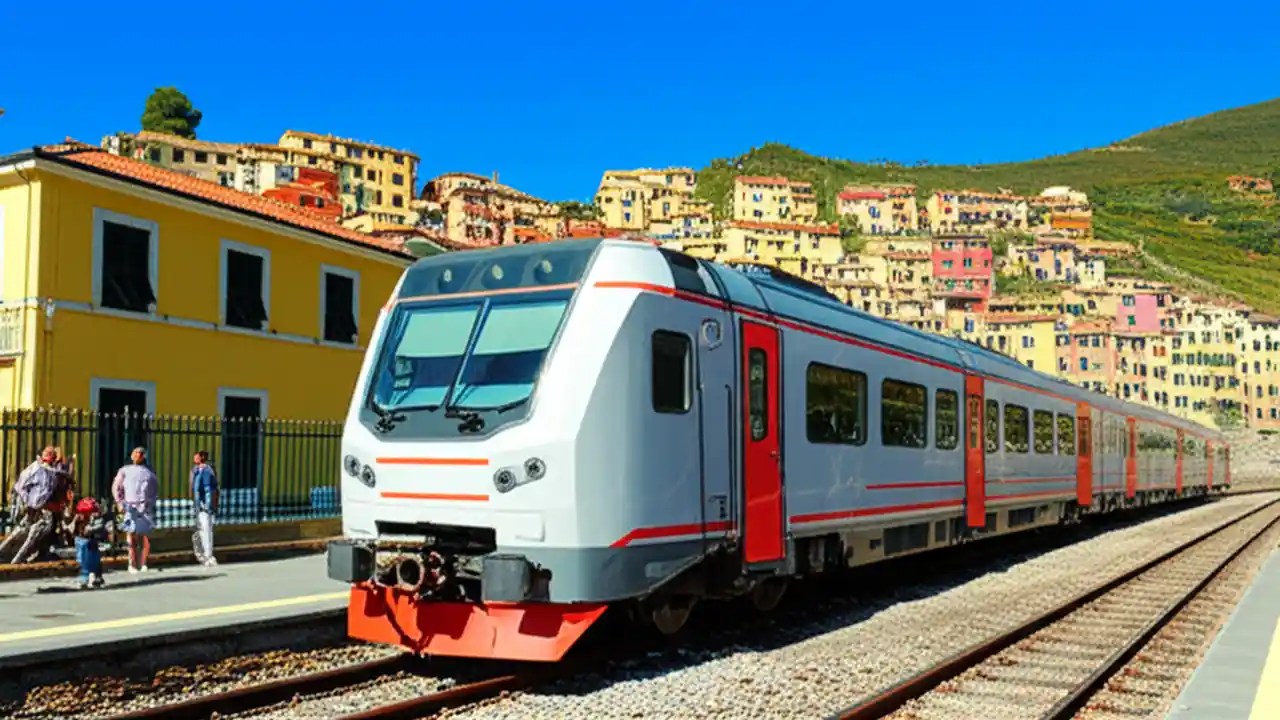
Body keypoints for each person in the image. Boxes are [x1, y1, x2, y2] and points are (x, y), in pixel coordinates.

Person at [112, 447, 158, 573]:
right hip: (129, 506)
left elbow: (154, 490)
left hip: (144, 507)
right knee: (131, 536)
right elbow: (116, 487)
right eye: (136, 453)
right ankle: (131, 563)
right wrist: (120, 503)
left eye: (141, 454)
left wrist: (150, 503)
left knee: (143, 537)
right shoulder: (124, 471)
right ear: (132, 456)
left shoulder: (149, 472)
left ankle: (143, 562)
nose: (138, 456)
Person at [190, 450, 218, 567]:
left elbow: (213, 488)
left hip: (206, 504)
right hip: (198, 504)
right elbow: (192, 486)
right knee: (201, 530)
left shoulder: (208, 471)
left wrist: (213, 504)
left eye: (196, 456)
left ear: (202, 457)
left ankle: (208, 555)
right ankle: (203, 553)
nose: (194, 458)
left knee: (206, 529)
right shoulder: (195, 471)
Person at [71, 496, 107, 589]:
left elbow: (101, 526)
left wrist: (91, 529)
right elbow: (73, 528)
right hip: (82, 541)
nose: (85, 515)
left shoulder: (97, 517)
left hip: (95, 541)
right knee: (83, 559)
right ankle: (85, 576)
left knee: (94, 560)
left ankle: (97, 576)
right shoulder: (79, 518)